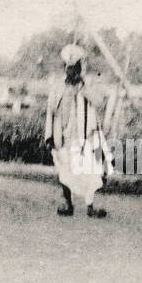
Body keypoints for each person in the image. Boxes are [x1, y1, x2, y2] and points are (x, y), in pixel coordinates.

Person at [45, 44, 112, 218]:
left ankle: (90, 206)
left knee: (90, 171)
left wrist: (82, 86)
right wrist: (49, 136)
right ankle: (68, 204)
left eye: (75, 68)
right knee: (65, 168)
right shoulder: (58, 87)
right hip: (65, 136)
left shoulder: (88, 85)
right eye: (69, 68)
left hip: (86, 136)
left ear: (80, 68)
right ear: (64, 68)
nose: (71, 72)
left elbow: (99, 102)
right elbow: (51, 112)